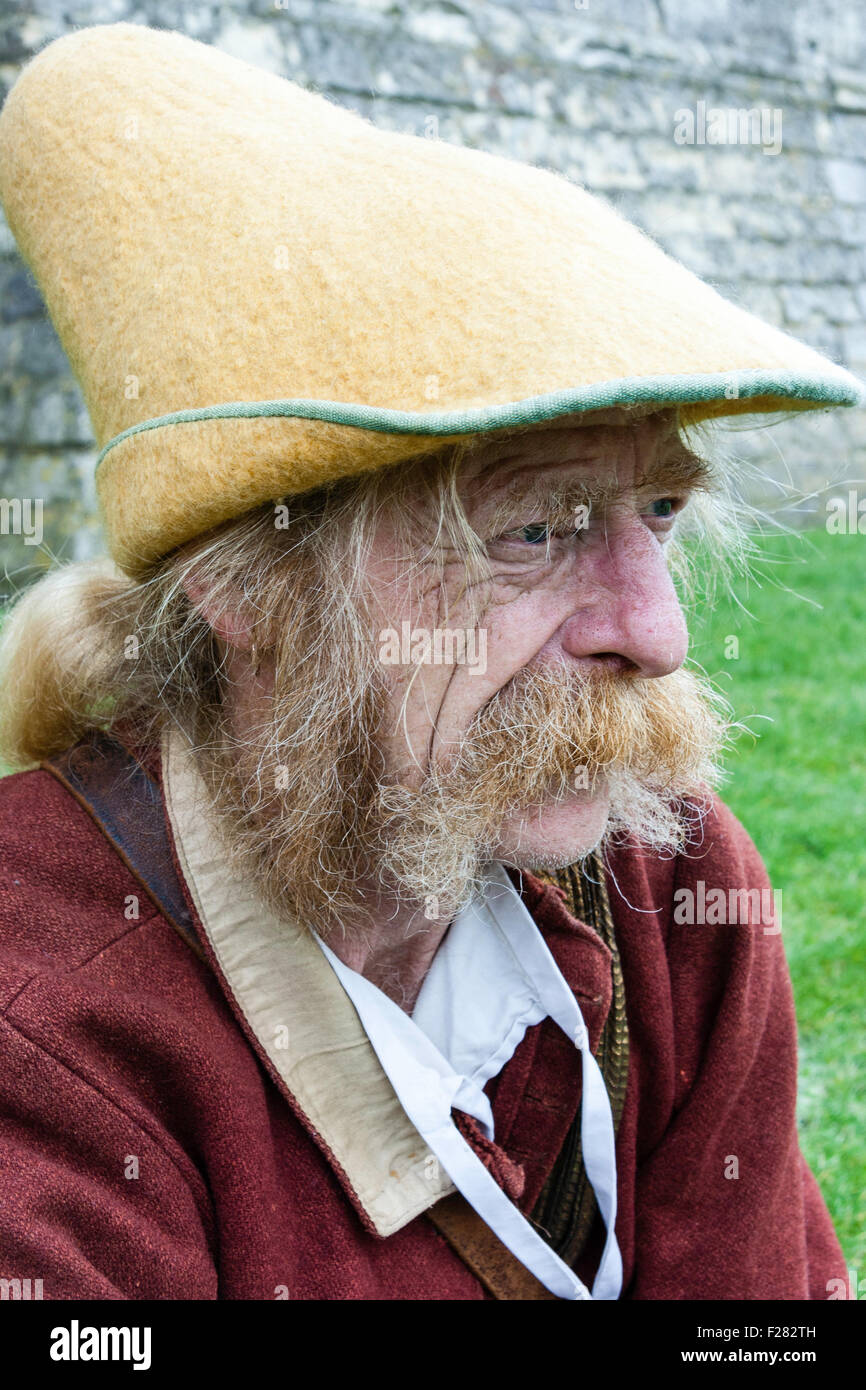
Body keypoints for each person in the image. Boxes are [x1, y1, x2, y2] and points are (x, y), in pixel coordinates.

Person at [0, 22, 859, 1300]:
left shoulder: (673, 896)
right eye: (531, 529)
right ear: (244, 583)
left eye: (660, 514)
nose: (658, 633)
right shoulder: (44, 1034)